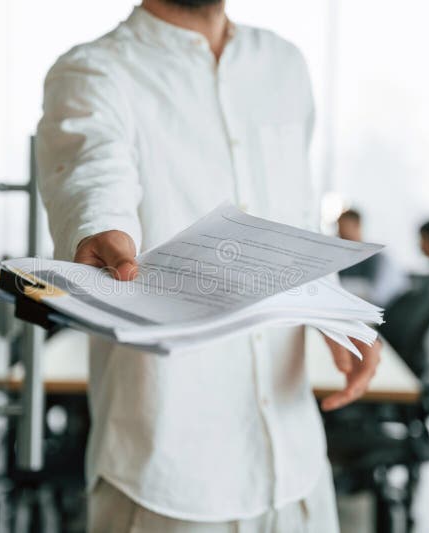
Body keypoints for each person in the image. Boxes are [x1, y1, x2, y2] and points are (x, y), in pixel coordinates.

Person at [36, 1, 381, 531]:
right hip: (166, 481)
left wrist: (341, 321)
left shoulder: (285, 65)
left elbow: (298, 216)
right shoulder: (93, 71)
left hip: (299, 471)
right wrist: (99, 227)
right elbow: (92, 175)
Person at [337, 209, 408, 307]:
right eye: (338, 227)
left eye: (343, 227)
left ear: (357, 226)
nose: (339, 232)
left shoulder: (373, 256)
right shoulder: (341, 255)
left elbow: (371, 290)